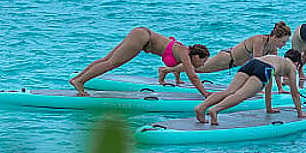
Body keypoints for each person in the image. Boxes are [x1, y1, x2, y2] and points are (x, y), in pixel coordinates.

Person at [70, 27, 211, 96]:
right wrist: (205, 94)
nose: (202, 65)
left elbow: (179, 66)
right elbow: (192, 76)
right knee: (111, 63)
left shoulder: (184, 54)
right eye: (203, 61)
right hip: (143, 37)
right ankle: (80, 81)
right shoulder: (184, 52)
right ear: (197, 56)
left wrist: (177, 80)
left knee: (106, 60)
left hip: (141, 35)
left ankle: (78, 78)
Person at [194, 50, 306, 126]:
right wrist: (300, 113)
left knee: (229, 91)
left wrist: (269, 108)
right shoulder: (291, 67)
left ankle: (201, 107)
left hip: (253, 63)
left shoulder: (276, 59)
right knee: (241, 95)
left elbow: (269, 87)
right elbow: (295, 93)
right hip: (264, 68)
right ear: (297, 62)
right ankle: (215, 110)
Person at [161, 21, 292, 82]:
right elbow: (257, 64)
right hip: (227, 57)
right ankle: (166, 70)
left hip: (234, 64)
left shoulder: (273, 48)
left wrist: (280, 88)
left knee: (198, 69)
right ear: (275, 37)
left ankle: (173, 71)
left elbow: (273, 69)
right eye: (283, 41)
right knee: (199, 69)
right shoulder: (259, 41)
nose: (284, 44)